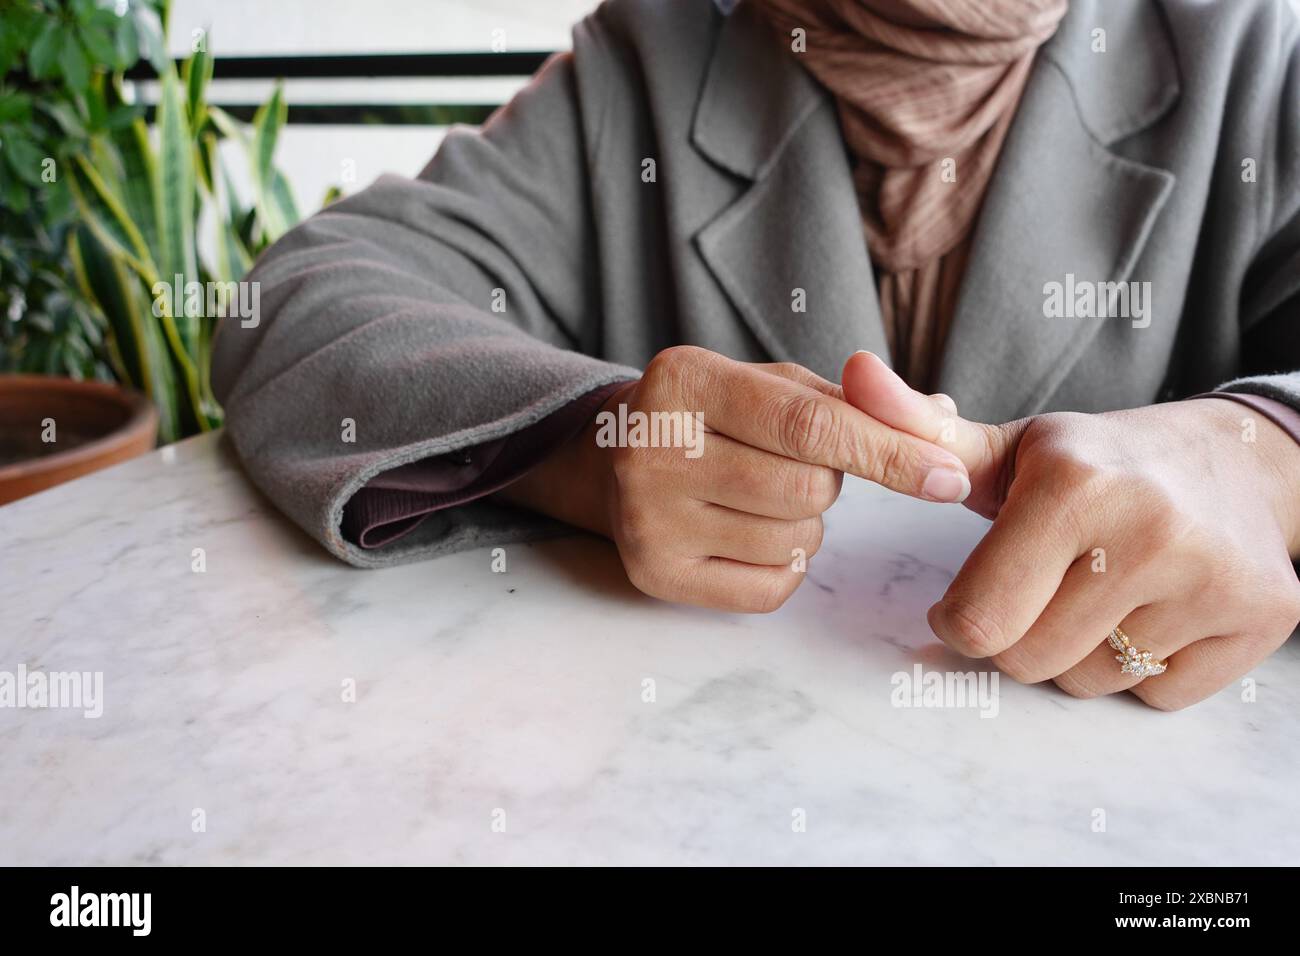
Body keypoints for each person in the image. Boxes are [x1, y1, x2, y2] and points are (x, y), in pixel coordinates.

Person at [212, 0, 1300, 710]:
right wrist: (586, 438)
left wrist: (1262, 453)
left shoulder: (1250, 54)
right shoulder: (649, 59)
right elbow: (305, 292)